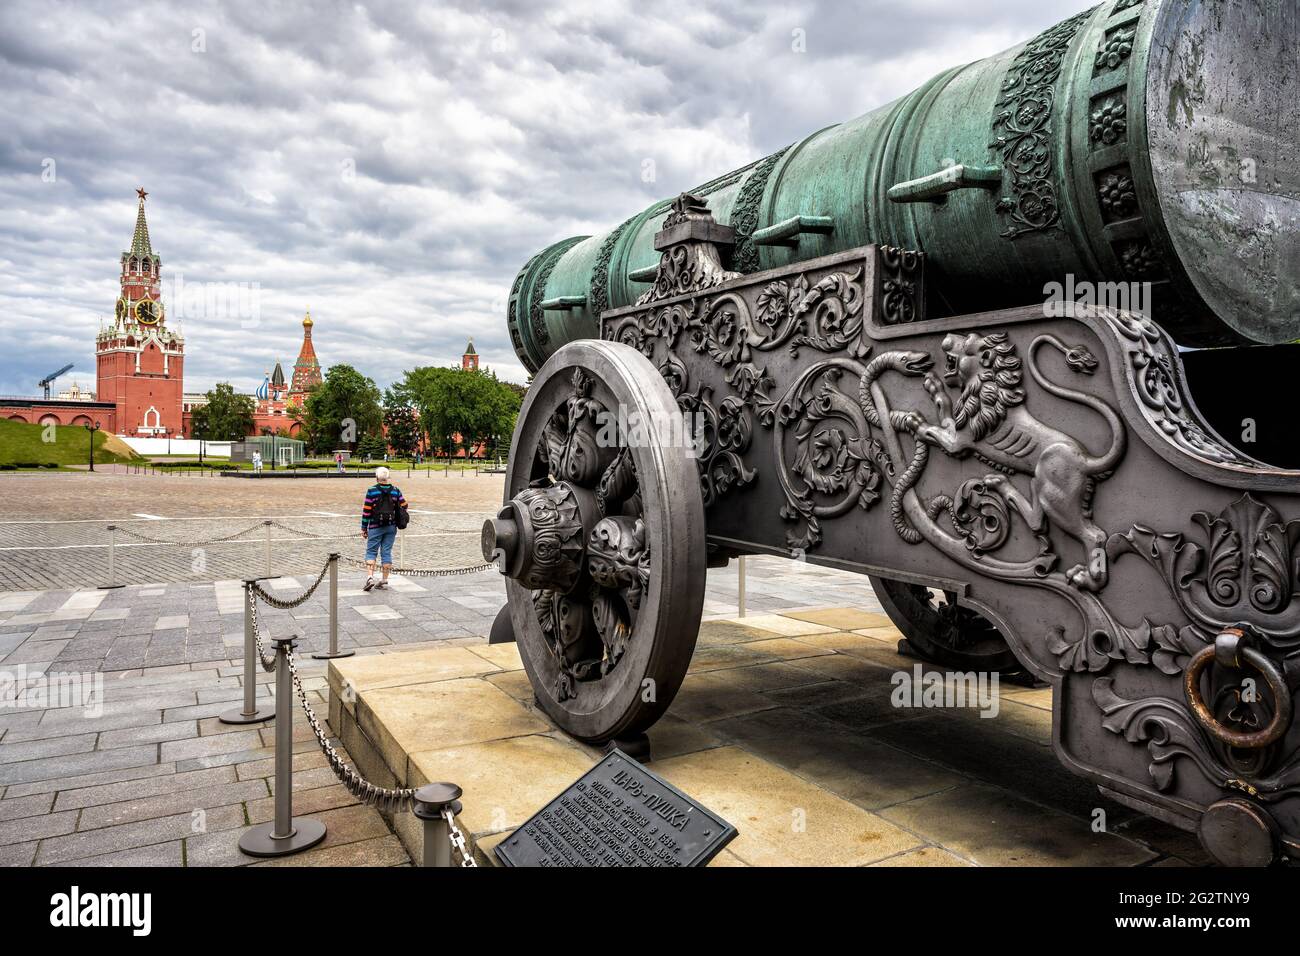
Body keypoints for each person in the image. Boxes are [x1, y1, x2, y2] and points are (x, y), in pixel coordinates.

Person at [360, 465, 407, 590]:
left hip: (375, 525)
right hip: (391, 526)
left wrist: (364, 527)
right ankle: (384, 579)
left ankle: (370, 577)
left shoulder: (372, 491)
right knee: (386, 552)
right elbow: (405, 505)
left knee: (371, 551)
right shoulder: (395, 490)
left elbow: (366, 511)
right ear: (388, 477)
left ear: (376, 478)